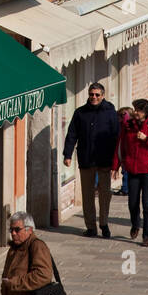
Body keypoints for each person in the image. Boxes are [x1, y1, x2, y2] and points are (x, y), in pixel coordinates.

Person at [61, 82, 120, 237]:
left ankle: (104, 224)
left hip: (105, 159)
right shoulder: (80, 113)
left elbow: (116, 137)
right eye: (91, 94)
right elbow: (72, 134)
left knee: (104, 194)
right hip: (86, 159)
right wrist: (67, 154)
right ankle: (91, 227)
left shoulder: (111, 113)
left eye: (97, 95)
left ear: (103, 95)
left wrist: (117, 162)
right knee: (87, 195)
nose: (93, 97)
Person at [114, 99, 148, 247]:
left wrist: (147, 139)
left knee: (147, 203)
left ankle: (147, 236)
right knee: (132, 202)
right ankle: (135, 224)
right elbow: (121, 146)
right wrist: (117, 165)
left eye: (138, 110)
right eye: (134, 109)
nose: (135, 112)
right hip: (132, 169)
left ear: (145, 112)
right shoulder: (128, 126)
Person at [0, 212, 55, 295]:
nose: (13, 233)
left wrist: (15, 283)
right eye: (11, 230)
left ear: (29, 230)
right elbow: (6, 277)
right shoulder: (13, 249)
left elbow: (43, 275)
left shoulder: (37, 246)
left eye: (17, 230)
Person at [114, 106, 132, 196]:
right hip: (124, 154)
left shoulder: (127, 125)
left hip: (127, 155)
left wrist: (125, 116)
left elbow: (126, 123)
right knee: (125, 172)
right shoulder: (121, 127)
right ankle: (126, 188)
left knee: (126, 172)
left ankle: (125, 189)